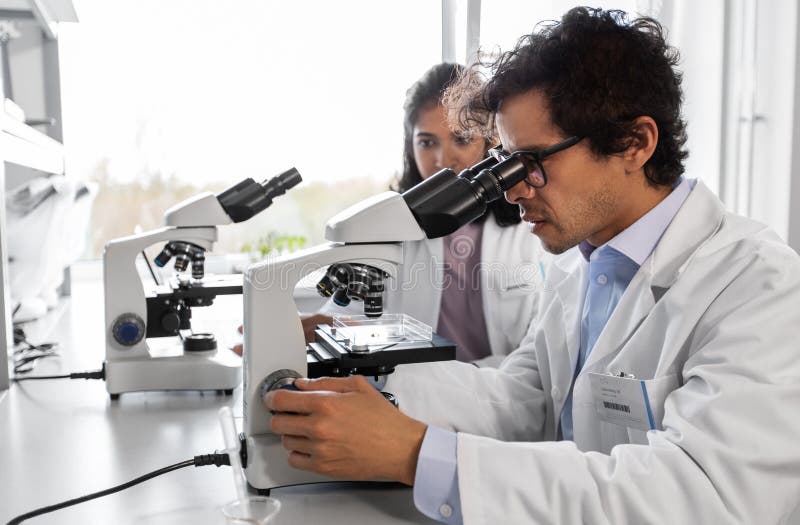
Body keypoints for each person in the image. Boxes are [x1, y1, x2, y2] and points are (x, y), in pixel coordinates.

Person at [264, 7, 800, 524]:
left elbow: (703, 498)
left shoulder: (760, 287)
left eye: (533, 162)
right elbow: (519, 397)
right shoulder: (579, 267)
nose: (514, 189)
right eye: (505, 163)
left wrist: (415, 454)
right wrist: (365, 395)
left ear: (634, 143)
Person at [235, 63, 548, 365]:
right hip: (405, 394)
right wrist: (319, 326)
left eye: (462, 139)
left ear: (490, 142)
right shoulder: (389, 226)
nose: (443, 160)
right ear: (410, 146)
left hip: (497, 393)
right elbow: (350, 314)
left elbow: (534, 358)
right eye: (427, 142)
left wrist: (452, 383)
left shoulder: (534, 230)